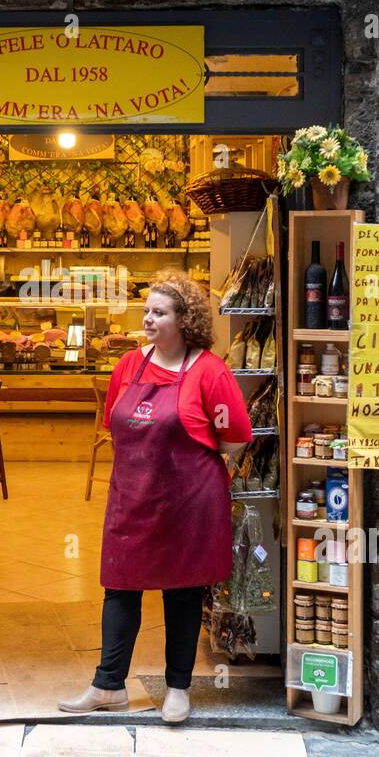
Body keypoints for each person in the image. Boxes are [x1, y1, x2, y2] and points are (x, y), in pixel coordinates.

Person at [58, 271, 253, 724]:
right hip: (132, 498)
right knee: (119, 588)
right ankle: (108, 686)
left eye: (158, 313)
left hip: (187, 504)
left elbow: (236, 437)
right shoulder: (129, 366)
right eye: (146, 310)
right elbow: (114, 424)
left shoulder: (209, 370)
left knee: (182, 593)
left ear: (185, 320)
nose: (146, 319)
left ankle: (178, 689)